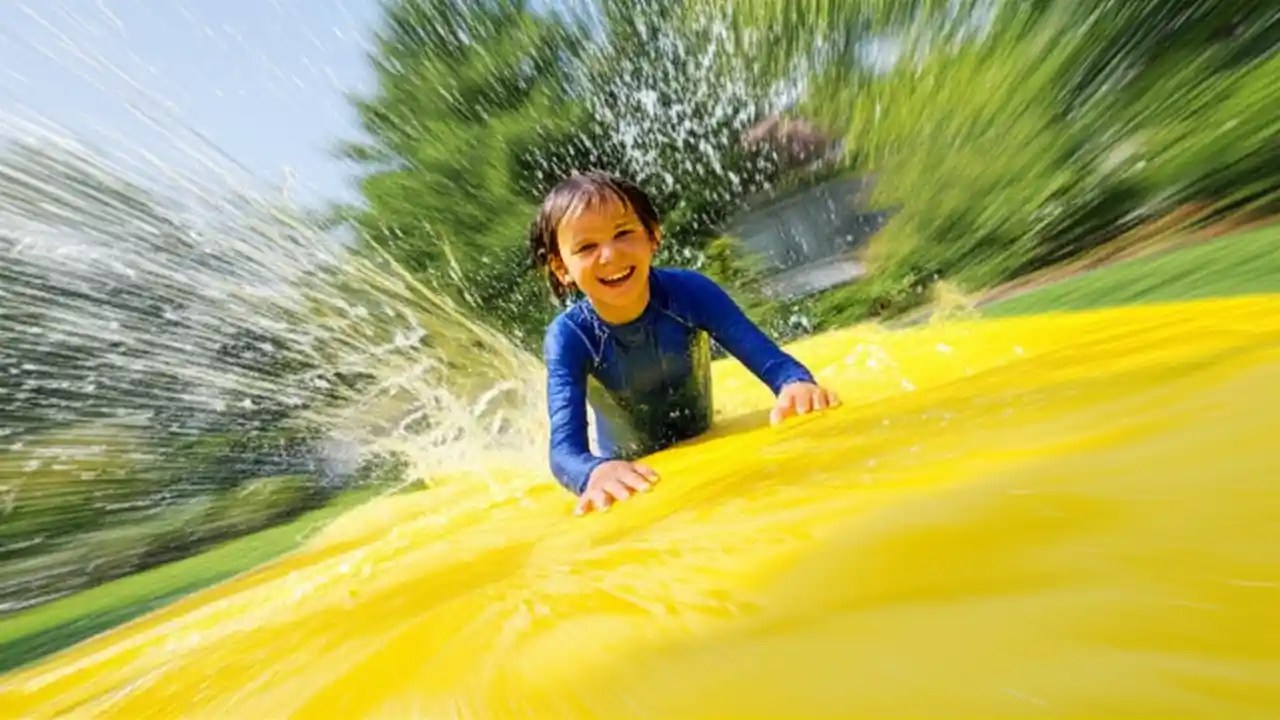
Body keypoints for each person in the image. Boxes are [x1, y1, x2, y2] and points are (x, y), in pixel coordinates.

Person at [529, 171, 840, 515]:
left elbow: (775, 365)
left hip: (707, 434)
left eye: (624, 233)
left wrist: (795, 384)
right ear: (561, 268)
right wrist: (595, 471)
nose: (610, 255)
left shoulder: (690, 293)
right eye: (587, 247)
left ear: (653, 235)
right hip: (635, 469)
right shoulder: (570, 336)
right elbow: (564, 453)